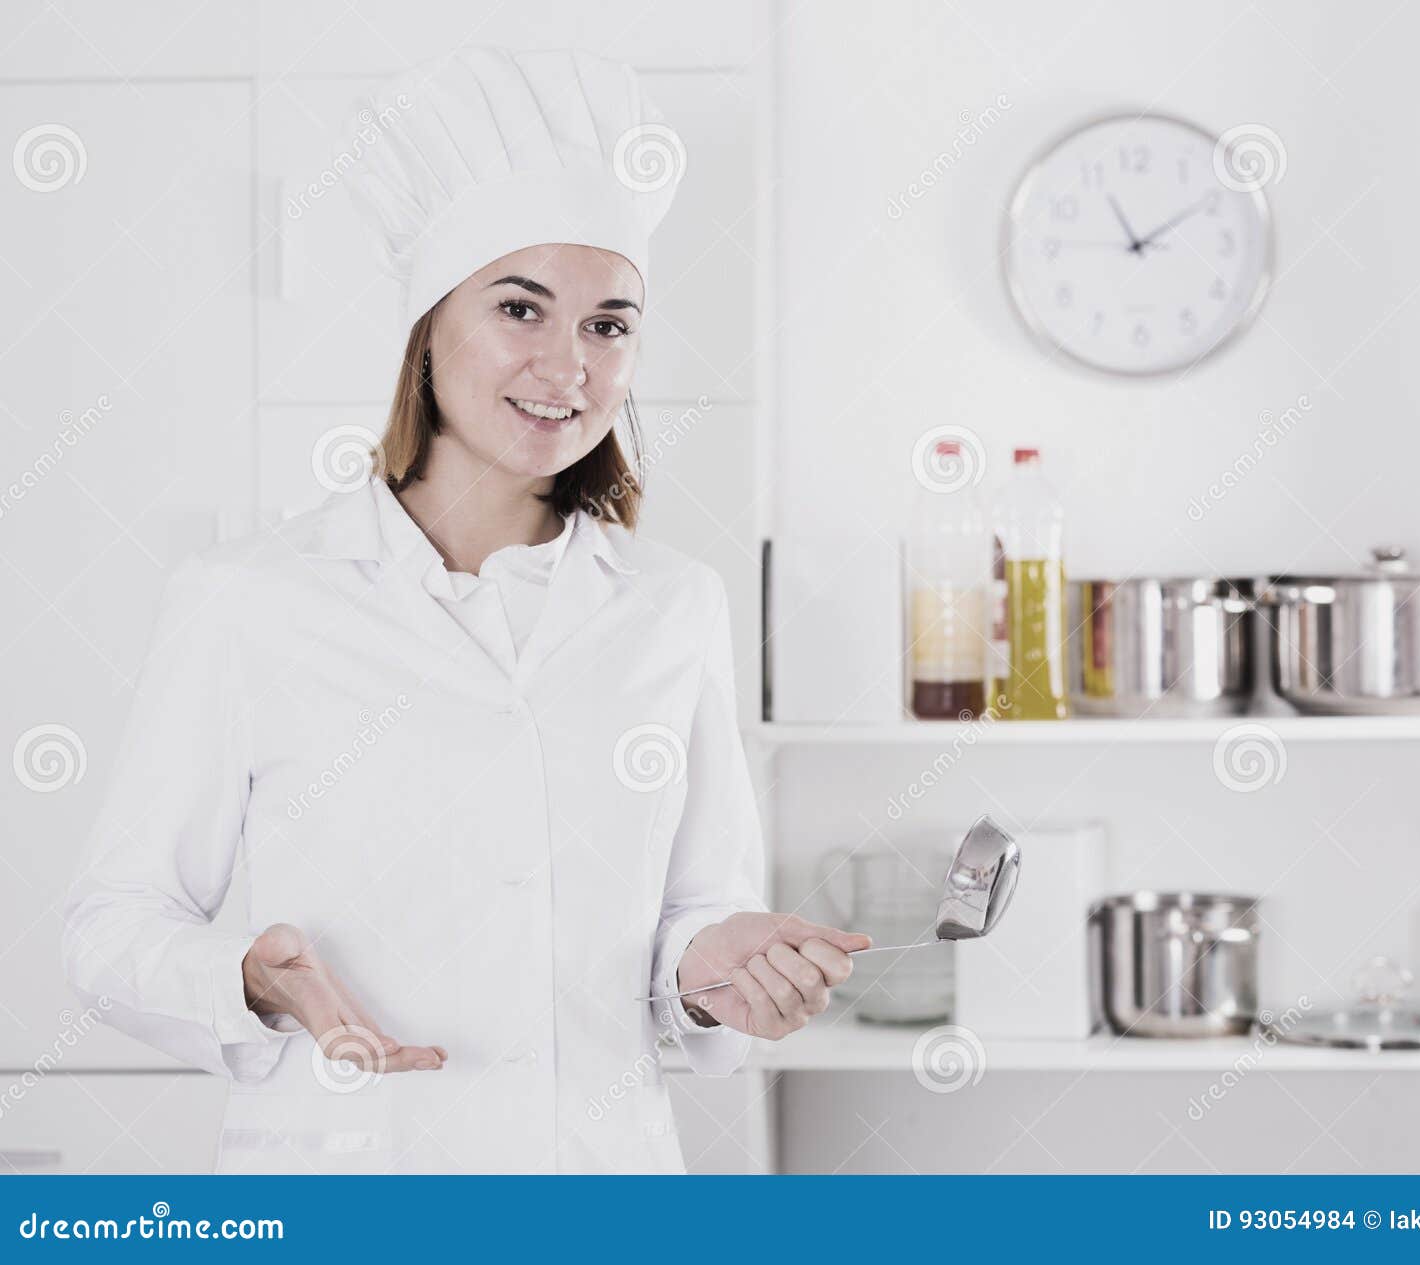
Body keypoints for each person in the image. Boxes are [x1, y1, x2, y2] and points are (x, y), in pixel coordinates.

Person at [60, 45, 868, 1175]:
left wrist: (723, 962)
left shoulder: (672, 606)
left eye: (609, 323)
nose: (567, 364)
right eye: (520, 307)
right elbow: (113, 925)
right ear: (428, 330)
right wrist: (250, 975)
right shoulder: (249, 602)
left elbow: (694, 914)